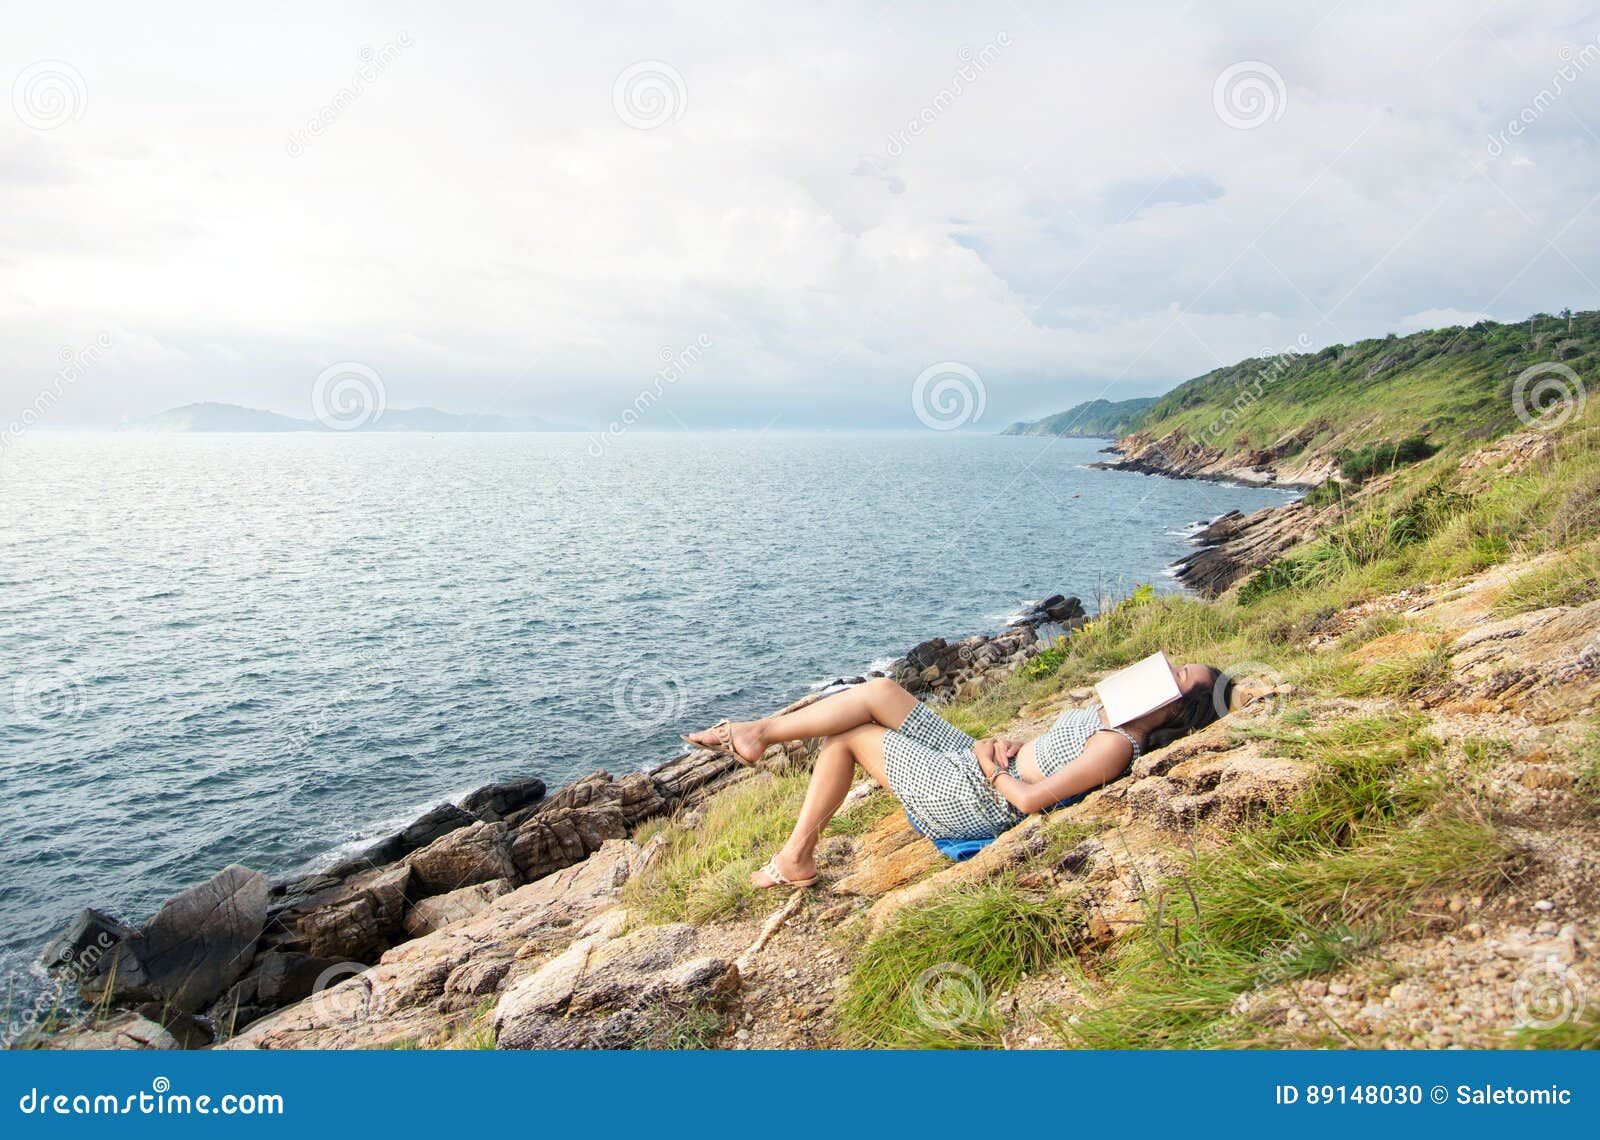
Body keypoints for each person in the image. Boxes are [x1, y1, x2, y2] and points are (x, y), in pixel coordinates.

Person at [682, 663, 1232, 888]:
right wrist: (1010, 747)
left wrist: (994, 769)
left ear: (1177, 706)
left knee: (844, 737)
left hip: (974, 797)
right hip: (988, 763)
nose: (1168, 667)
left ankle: (795, 857)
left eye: (1180, 674)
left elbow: (1033, 800)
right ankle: (758, 731)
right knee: (878, 692)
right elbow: (1050, 757)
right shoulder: (1113, 718)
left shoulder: (1118, 745)